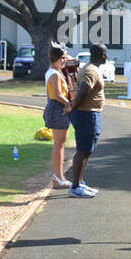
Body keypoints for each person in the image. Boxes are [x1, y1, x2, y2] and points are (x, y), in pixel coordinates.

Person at [65, 43, 109, 198]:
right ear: (100, 55)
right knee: (82, 151)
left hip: (90, 114)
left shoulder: (92, 68)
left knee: (87, 151)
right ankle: (75, 187)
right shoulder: (91, 70)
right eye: (105, 54)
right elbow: (84, 89)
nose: (107, 56)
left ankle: (80, 182)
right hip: (86, 115)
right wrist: (72, 106)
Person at [42, 45, 73, 189]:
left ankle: (59, 176)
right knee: (59, 143)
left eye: (65, 57)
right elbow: (57, 94)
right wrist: (69, 103)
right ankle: (58, 176)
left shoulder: (55, 71)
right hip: (57, 109)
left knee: (61, 143)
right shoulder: (54, 74)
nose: (64, 60)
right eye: (62, 58)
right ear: (55, 58)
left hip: (57, 108)